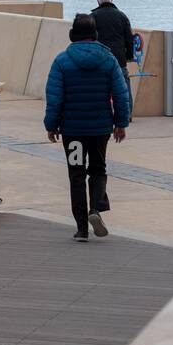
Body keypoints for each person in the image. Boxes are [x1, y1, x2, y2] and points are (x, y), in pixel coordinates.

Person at [44, 13, 131, 242]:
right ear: (94, 35)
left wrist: (51, 125)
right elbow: (121, 95)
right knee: (98, 169)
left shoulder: (61, 61)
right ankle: (95, 210)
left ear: (73, 35)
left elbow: (54, 98)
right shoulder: (109, 60)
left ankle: (82, 228)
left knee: (76, 175)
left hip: (72, 130)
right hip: (100, 129)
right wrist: (121, 123)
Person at [91, 0, 135, 105]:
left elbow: (90, 40)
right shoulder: (122, 16)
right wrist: (129, 56)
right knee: (124, 86)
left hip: (99, 59)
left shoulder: (93, 17)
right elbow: (129, 40)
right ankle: (127, 113)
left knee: (99, 87)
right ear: (112, 0)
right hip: (119, 59)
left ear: (98, 2)